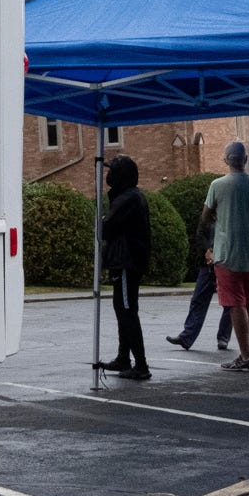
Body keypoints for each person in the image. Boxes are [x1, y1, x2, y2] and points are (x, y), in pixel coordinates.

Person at [201, 142, 249, 371]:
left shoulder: (217, 185)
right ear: (245, 160)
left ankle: (245, 355)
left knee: (235, 305)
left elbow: (205, 217)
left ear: (226, 160)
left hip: (227, 254)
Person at [97, 156, 152, 379]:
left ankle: (141, 364)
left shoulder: (128, 199)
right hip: (126, 260)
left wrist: (101, 222)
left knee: (127, 311)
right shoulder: (128, 196)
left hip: (127, 262)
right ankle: (123, 358)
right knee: (122, 309)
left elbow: (107, 228)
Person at [166, 203, 234, 353]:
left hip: (224, 264)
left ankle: (223, 337)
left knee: (230, 303)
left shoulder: (230, 218)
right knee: (198, 300)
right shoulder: (206, 219)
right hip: (207, 265)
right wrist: (207, 251)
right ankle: (186, 337)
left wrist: (217, 252)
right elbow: (200, 235)